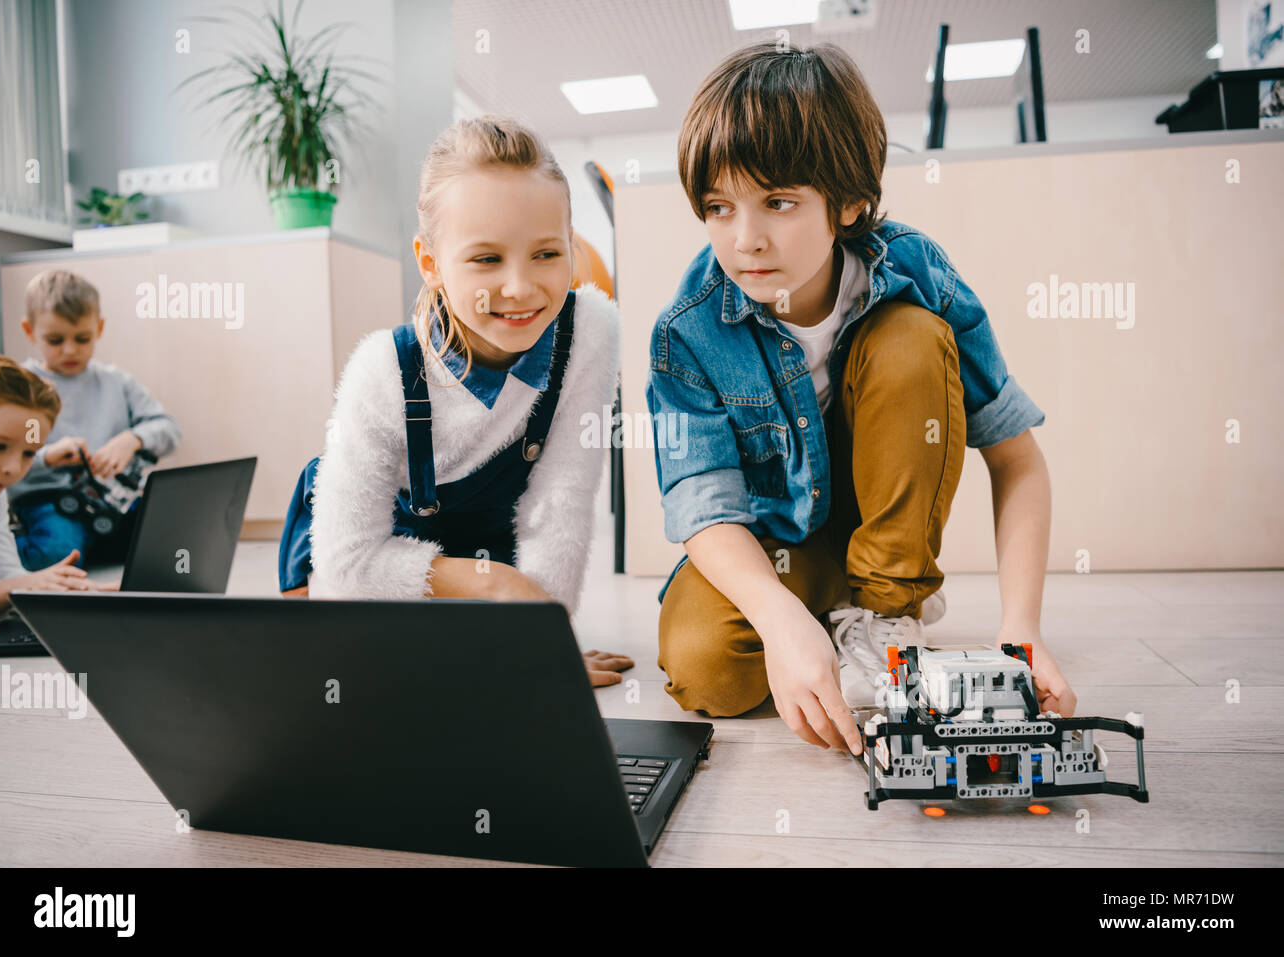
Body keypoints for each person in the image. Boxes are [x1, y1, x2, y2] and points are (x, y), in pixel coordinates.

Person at [647, 42, 1073, 754]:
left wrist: (1021, 627)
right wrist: (782, 621)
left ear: (848, 202)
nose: (744, 239)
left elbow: (1017, 460)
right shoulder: (687, 330)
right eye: (719, 207)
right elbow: (705, 509)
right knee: (708, 670)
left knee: (909, 339)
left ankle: (885, 602)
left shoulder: (917, 269)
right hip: (779, 540)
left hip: (885, 515)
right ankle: (831, 604)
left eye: (778, 202)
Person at [285, 114, 631, 687]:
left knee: (488, 672)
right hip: (370, 554)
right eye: (487, 259)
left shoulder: (590, 330)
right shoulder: (383, 370)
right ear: (430, 263)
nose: (521, 288)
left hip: (482, 543)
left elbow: (561, 506)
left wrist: (544, 641)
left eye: (547, 254)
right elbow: (348, 564)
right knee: (388, 681)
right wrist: (498, 584)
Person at [10, 269, 181, 570]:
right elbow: (20, 453)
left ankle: (92, 546)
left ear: (99, 328)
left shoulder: (116, 383)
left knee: (176, 538)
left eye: (82, 338)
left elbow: (167, 428)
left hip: (111, 499)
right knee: (56, 553)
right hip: (50, 500)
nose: (70, 349)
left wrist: (132, 439)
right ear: (29, 331)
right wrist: (48, 456)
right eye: (55, 340)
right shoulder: (28, 390)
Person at [0, 354, 111, 629]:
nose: (12, 468)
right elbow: (5, 587)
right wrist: (13, 587)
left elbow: (6, 574)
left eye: (29, 453)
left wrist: (57, 588)